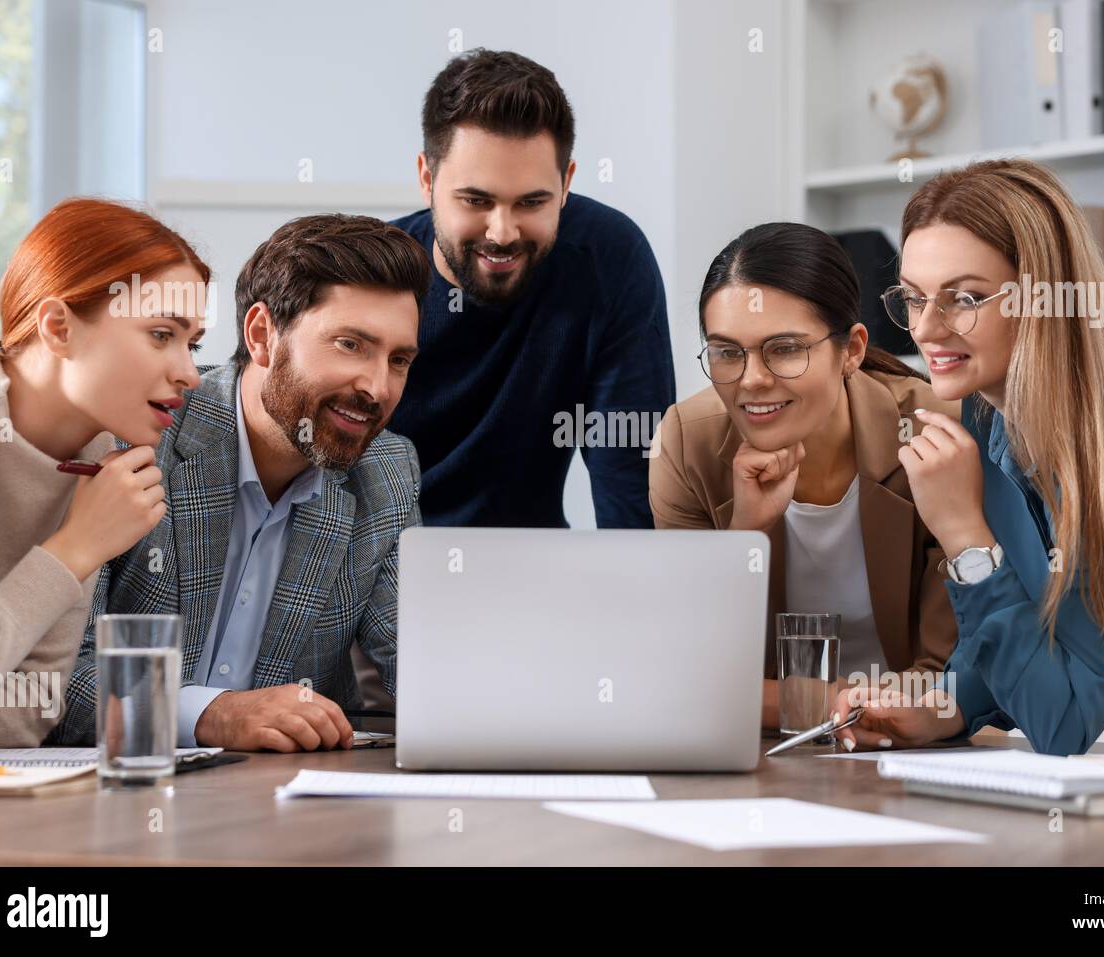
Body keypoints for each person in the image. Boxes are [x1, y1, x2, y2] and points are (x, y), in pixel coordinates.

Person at [835, 159, 1104, 755]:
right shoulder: (986, 411)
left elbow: (1062, 723)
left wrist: (964, 537)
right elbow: (1031, 618)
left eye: (965, 298)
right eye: (912, 297)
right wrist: (946, 707)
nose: (926, 328)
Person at [50, 214, 431, 752]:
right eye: (350, 345)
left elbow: (422, 664)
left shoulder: (385, 473)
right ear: (262, 336)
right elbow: (54, 678)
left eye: (398, 360)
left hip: (277, 809)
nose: (376, 387)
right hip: (107, 806)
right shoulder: (131, 434)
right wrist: (213, 715)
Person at [649, 222, 960, 735]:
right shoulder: (688, 443)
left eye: (785, 348)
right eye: (727, 352)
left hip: (919, 753)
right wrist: (746, 535)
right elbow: (691, 677)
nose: (751, 379)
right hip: (770, 759)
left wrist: (803, 704)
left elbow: (948, 677)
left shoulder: (931, 433)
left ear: (852, 350)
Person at [386, 48, 676, 528]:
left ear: (566, 184)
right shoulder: (372, 277)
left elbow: (632, 487)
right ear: (426, 179)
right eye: (476, 200)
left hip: (536, 575)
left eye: (532, 201)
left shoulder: (610, 259)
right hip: (383, 581)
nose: (502, 232)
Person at [0, 198, 207, 747]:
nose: (190, 373)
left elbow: (30, 713)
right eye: (162, 335)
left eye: (194, 344)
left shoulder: (97, 457)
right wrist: (74, 550)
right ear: (58, 327)